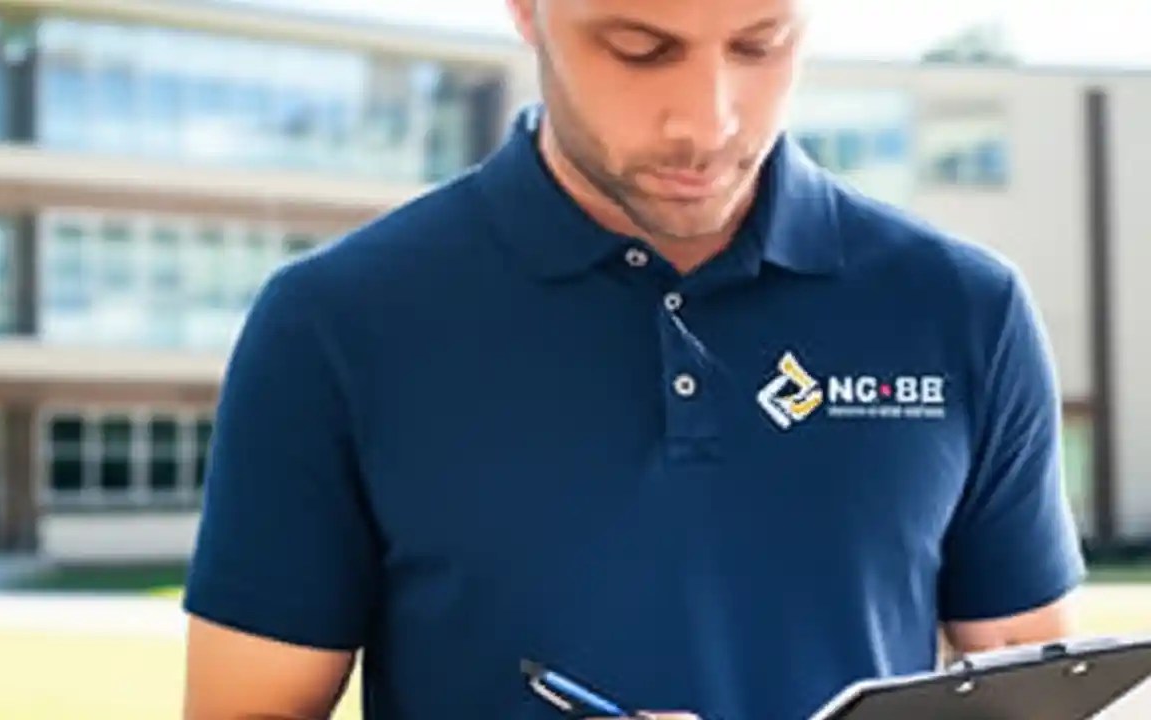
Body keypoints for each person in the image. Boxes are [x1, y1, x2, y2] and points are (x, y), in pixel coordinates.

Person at [181, 0, 1087, 718]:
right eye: (640, 49)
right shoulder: (335, 324)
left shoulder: (964, 311)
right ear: (526, 10)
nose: (708, 120)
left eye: (760, 44)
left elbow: (1036, 691)